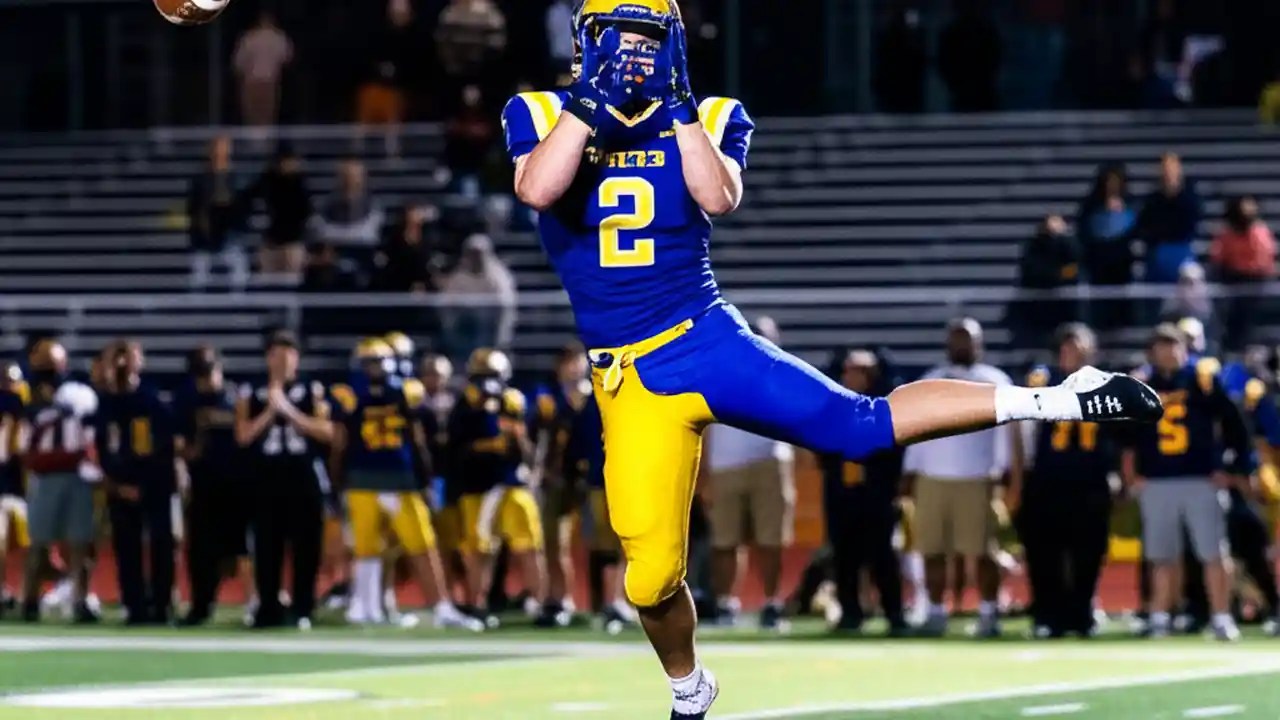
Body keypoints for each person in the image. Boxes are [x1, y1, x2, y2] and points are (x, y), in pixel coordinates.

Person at [502, 2, 1162, 716]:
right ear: (587, 41)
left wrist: (678, 103)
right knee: (650, 580)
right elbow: (538, 188)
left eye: (648, 38)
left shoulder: (709, 111)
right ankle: (689, 687)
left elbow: (717, 197)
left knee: (857, 426)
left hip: (702, 336)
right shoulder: (539, 111)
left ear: (673, 45)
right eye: (620, 38)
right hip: (624, 376)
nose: (634, 53)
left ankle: (1061, 397)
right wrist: (593, 101)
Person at [328, 338, 481, 630]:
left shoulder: (390, 393)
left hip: (396, 481)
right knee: (369, 549)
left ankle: (437, 607)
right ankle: (366, 606)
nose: (374, 370)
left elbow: (415, 438)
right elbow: (341, 444)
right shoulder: (367, 394)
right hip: (369, 480)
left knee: (420, 545)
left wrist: (423, 481)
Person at [1122, 325, 1251, 641]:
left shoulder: (1203, 380)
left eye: (1174, 346)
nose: (1169, 353)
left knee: (1213, 553)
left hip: (1199, 478)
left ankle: (1221, 616)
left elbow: (1236, 426)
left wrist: (1231, 467)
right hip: (1158, 479)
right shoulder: (1142, 384)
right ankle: (1160, 616)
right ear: (1152, 352)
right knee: (1161, 556)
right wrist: (1132, 476)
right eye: (1162, 346)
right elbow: (1128, 437)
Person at [902, 319, 1022, 639]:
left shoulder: (994, 381)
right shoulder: (932, 380)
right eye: (957, 340)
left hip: (977, 478)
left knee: (982, 552)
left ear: (979, 344)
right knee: (933, 551)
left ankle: (988, 612)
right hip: (932, 478)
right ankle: (936, 612)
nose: (962, 346)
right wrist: (910, 472)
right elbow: (915, 430)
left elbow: (1009, 436)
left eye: (968, 340)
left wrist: (1008, 474)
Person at [1014, 324, 1115, 638]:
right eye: (1068, 348)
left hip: (1091, 482)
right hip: (1047, 481)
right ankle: (1047, 614)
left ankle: (1082, 614)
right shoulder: (1041, 381)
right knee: (1044, 553)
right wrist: (1018, 478)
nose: (1073, 353)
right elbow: (1022, 431)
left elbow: (1120, 436)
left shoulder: (1108, 383)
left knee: (1088, 553)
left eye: (1080, 347)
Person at [235, 331, 333, 629]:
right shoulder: (250, 391)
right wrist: (269, 410)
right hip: (267, 475)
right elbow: (243, 436)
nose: (284, 361)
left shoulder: (311, 389)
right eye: (277, 355)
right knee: (267, 545)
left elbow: (326, 431)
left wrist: (288, 411)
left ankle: (302, 606)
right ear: (268, 358)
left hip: (302, 474)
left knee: (306, 545)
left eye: (289, 355)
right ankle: (268, 606)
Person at [702, 316, 795, 630]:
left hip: (769, 462)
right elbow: (704, 426)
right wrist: (703, 474)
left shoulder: (783, 373)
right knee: (725, 541)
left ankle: (772, 603)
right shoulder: (719, 374)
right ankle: (726, 603)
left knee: (771, 540)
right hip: (725, 465)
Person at [448, 348, 546, 627]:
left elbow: (528, 452)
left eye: (492, 376)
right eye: (482, 376)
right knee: (479, 550)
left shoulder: (513, 402)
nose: (487, 383)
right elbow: (455, 451)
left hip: (512, 483)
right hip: (478, 486)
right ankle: (478, 604)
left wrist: (517, 437)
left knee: (529, 546)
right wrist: (489, 445)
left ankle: (538, 604)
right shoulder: (464, 408)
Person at [821, 348, 906, 635]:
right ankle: (850, 612)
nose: (852, 376)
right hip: (842, 491)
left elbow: (895, 449)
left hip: (876, 491)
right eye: (849, 370)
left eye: (859, 370)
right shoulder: (833, 405)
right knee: (844, 556)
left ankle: (894, 613)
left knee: (882, 556)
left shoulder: (883, 406)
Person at [96, 341, 178, 625]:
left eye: (128, 358)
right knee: (126, 549)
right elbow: (102, 448)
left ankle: (161, 603)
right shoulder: (105, 403)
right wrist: (116, 484)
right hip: (120, 485)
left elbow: (163, 448)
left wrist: (147, 484)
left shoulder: (151, 400)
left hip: (153, 486)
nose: (123, 364)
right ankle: (135, 605)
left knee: (160, 546)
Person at [19, 340, 101, 623]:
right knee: (39, 542)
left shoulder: (79, 393)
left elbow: (90, 436)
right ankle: (29, 599)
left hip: (77, 476)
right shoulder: (29, 397)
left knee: (80, 542)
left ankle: (80, 599)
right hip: (46, 476)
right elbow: (27, 443)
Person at [175, 346, 253, 626]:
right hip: (204, 482)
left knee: (242, 547)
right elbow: (181, 444)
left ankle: (253, 603)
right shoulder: (187, 400)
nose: (207, 379)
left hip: (236, 482)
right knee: (200, 551)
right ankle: (201, 605)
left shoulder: (235, 397)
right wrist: (189, 452)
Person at [528, 342, 592, 627]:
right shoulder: (548, 398)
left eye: (578, 361)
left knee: (605, 544)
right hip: (559, 478)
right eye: (569, 362)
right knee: (555, 544)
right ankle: (560, 598)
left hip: (593, 478)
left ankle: (610, 602)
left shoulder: (600, 394)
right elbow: (537, 434)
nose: (575, 367)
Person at [1209, 195, 1276, 353]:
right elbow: (1217, 258)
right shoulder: (1226, 234)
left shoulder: (1259, 232)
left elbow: (1264, 262)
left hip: (1256, 283)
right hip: (1231, 281)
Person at [439, 234, 517, 361]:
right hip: (465, 327)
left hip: (490, 327)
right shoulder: (458, 276)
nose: (475, 258)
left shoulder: (498, 276)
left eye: (479, 253)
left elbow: (505, 306)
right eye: (472, 253)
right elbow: (447, 304)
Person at [186, 136, 250, 292]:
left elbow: (242, 209)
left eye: (223, 148)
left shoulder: (237, 178)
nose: (220, 152)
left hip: (230, 236)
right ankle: (197, 306)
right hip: (205, 236)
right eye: (216, 148)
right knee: (198, 273)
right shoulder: (200, 179)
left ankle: (237, 304)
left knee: (239, 270)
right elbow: (194, 208)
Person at [1134, 152, 1202, 284]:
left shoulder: (1190, 199)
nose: (1168, 173)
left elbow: (1192, 223)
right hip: (1158, 254)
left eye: (1172, 169)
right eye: (1165, 169)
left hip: (1181, 251)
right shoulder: (1152, 201)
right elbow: (1144, 225)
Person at [250, 142, 311, 278]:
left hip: (293, 241)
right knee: (267, 281)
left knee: (291, 280)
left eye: (289, 161)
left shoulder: (300, 183)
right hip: (272, 240)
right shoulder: (269, 180)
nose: (286, 165)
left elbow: (305, 212)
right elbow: (253, 197)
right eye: (283, 161)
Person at [233, 11, 293, 128]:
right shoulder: (279, 38)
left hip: (251, 82)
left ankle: (254, 143)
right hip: (269, 82)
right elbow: (288, 58)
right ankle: (265, 144)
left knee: (251, 119)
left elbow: (238, 64)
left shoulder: (249, 38)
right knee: (267, 119)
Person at [0, 363, 27, 611]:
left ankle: (30, 593)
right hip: (8, 487)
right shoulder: (13, 405)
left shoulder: (20, 406)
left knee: (32, 544)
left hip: (16, 487)